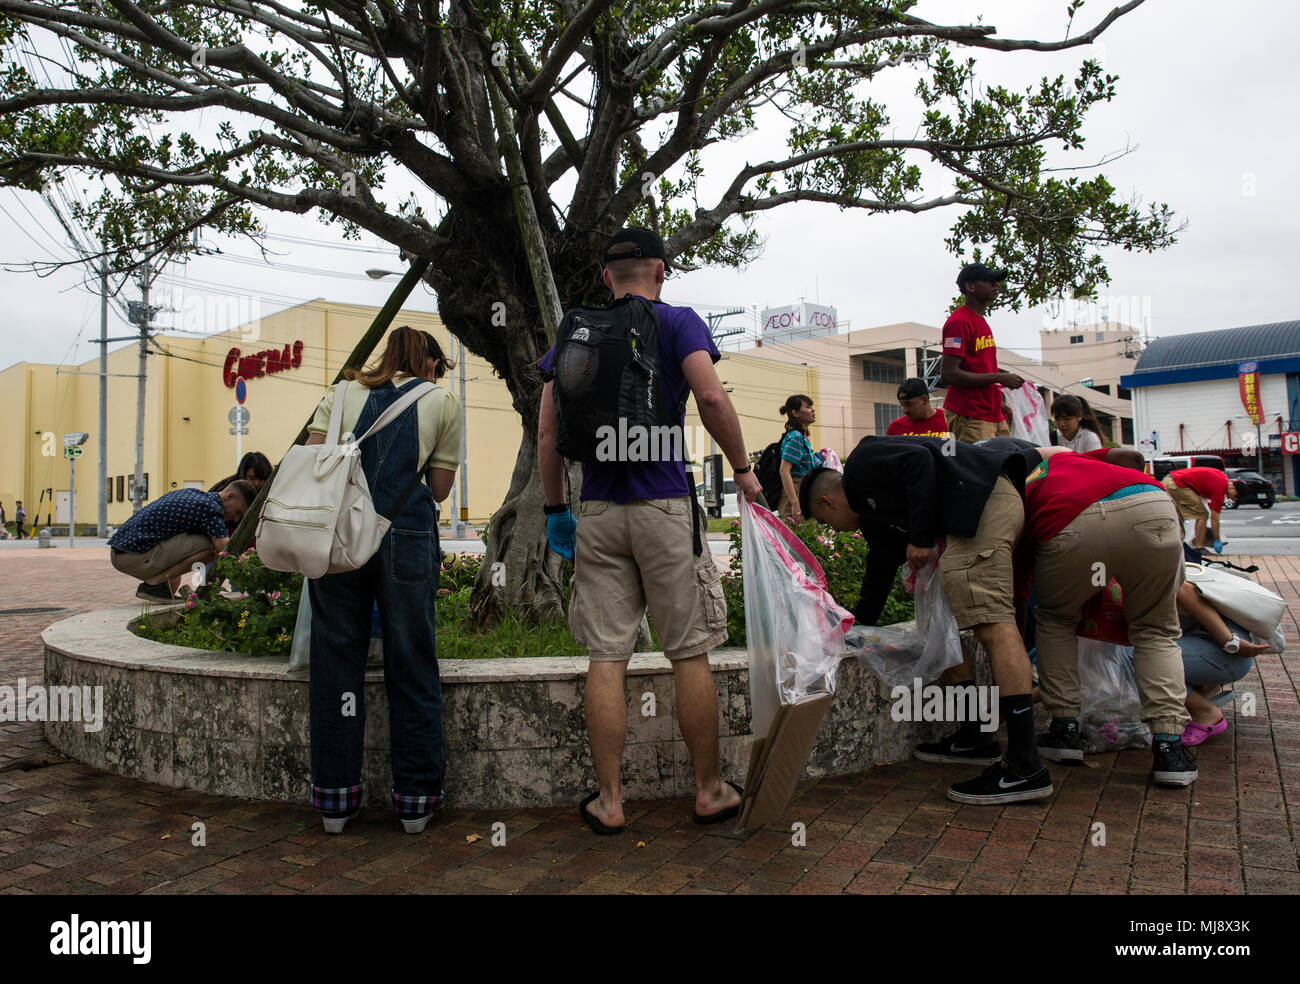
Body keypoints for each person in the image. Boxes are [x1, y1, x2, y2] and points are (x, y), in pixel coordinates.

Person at [537, 226, 761, 834]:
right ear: (660, 271)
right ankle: (710, 791)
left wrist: (558, 509)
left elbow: (549, 434)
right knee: (689, 652)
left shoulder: (578, 333)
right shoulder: (679, 321)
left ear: (606, 278)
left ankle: (609, 802)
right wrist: (742, 470)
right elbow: (711, 399)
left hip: (600, 512)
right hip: (665, 504)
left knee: (606, 657)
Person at [801, 435, 1052, 805]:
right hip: (973, 513)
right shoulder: (876, 517)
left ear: (828, 500)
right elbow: (880, 570)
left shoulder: (862, 464)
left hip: (983, 503)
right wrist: (852, 627)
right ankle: (973, 735)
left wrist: (919, 537)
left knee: (992, 624)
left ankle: (1024, 763)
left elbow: (920, 460)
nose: (835, 529)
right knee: (941, 626)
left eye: (826, 520)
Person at [301, 325, 461, 835]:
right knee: (411, 658)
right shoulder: (440, 401)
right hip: (405, 536)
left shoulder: (341, 391)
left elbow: (313, 457)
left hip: (337, 538)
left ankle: (336, 802)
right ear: (430, 363)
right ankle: (415, 800)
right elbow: (438, 489)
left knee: (335, 658)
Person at [1019, 448, 1197, 785]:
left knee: (1056, 620)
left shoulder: (1026, 484)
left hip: (1071, 524)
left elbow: (1025, 570)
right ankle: (1169, 748)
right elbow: (1129, 453)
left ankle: (1065, 730)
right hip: (1152, 506)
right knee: (1156, 631)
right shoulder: (1074, 459)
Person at [108, 482, 256, 600]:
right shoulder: (211, 509)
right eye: (238, 512)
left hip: (122, 551)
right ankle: (153, 585)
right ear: (230, 496)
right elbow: (225, 550)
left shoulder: (194, 494)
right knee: (209, 549)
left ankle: (157, 589)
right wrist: (254, 564)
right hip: (132, 555)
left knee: (173, 582)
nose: (236, 519)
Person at [1174, 581, 1269, 746]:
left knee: (1140, 658)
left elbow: (1184, 590)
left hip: (1228, 652)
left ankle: (1204, 712)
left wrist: (1231, 643)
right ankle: (1202, 689)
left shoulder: (1146, 562)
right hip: (1210, 642)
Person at [939, 263, 1025, 443]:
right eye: (989, 281)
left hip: (991, 413)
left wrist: (997, 403)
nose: (996, 285)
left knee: (1007, 466)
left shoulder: (980, 321)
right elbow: (949, 374)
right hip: (969, 416)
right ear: (970, 287)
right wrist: (999, 378)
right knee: (975, 469)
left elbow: (978, 367)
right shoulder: (959, 323)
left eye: (997, 281)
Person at [1163, 466, 1237, 551]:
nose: (1233, 499)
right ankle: (1199, 547)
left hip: (1172, 481)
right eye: (1235, 496)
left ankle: (1181, 545)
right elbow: (1214, 518)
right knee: (1202, 515)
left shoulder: (1222, 478)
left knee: (1181, 516)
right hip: (1176, 483)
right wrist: (1217, 540)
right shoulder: (1220, 487)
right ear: (1233, 487)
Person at [776, 394, 819, 522]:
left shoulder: (801, 436)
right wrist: (794, 502)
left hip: (803, 490)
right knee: (796, 536)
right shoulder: (795, 436)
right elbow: (784, 471)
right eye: (808, 407)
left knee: (808, 536)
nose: (813, 410)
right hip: (795, 491)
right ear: (795, 413)